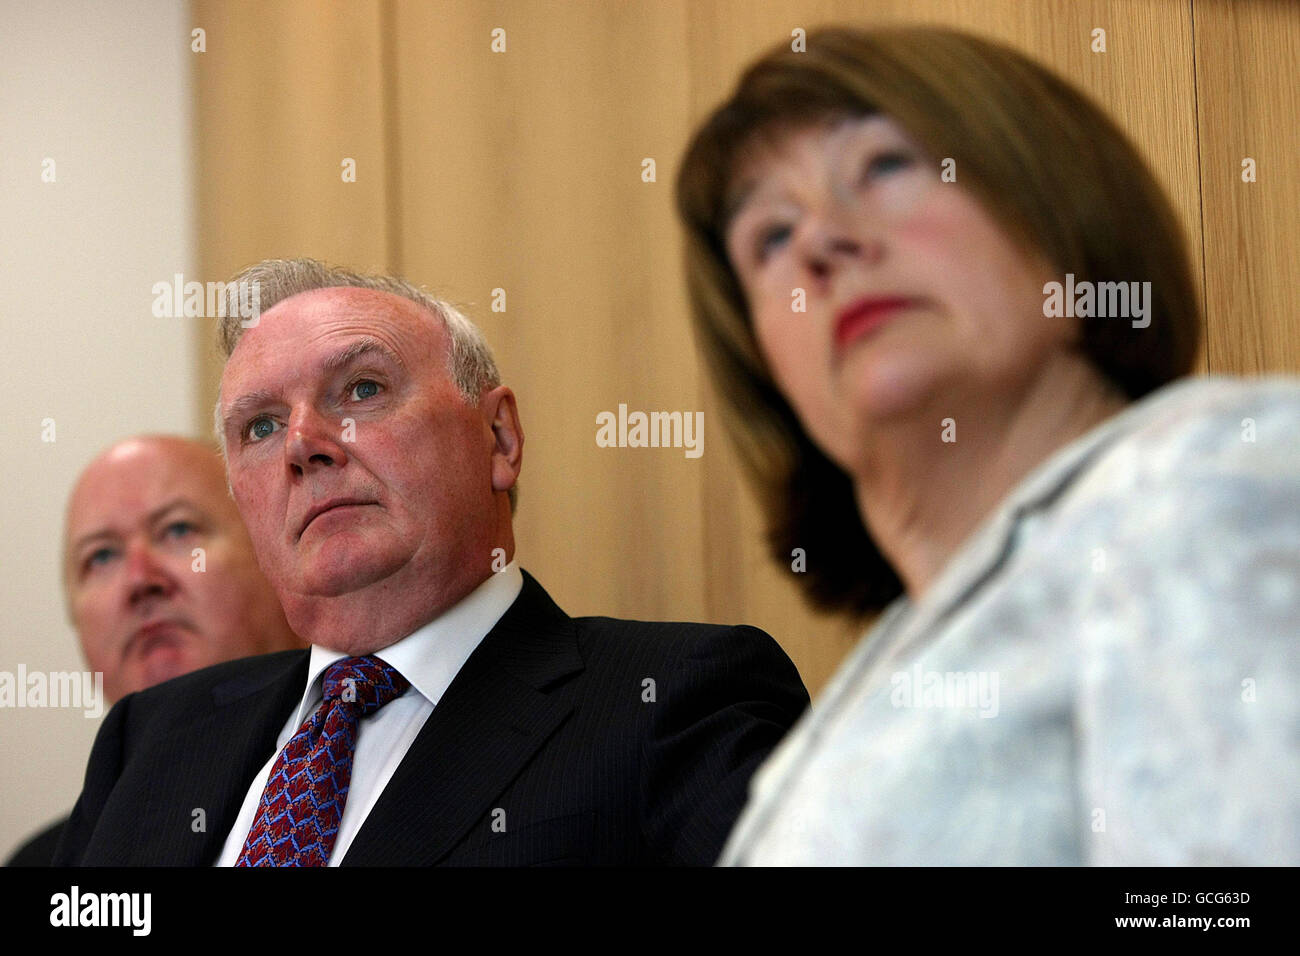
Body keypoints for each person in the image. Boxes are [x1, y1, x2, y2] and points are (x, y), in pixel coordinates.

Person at [675, 25, 1300, 864]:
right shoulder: (873, 689)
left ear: (1062, 209)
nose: (823, 241)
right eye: (771, 237)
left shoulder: (1200, 486)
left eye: (885, 166)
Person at [52, 258, 809, 866]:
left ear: (500, 438)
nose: (303, 444)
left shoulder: (675, 701)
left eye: (362, 388)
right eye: (259, 426)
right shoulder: (148, 741)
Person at [6, 435, 302, 866]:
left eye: (178, 530)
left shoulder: (369, 786)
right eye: (101, 556)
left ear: (276, 554)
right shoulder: (45, 863)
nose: (140, 579)